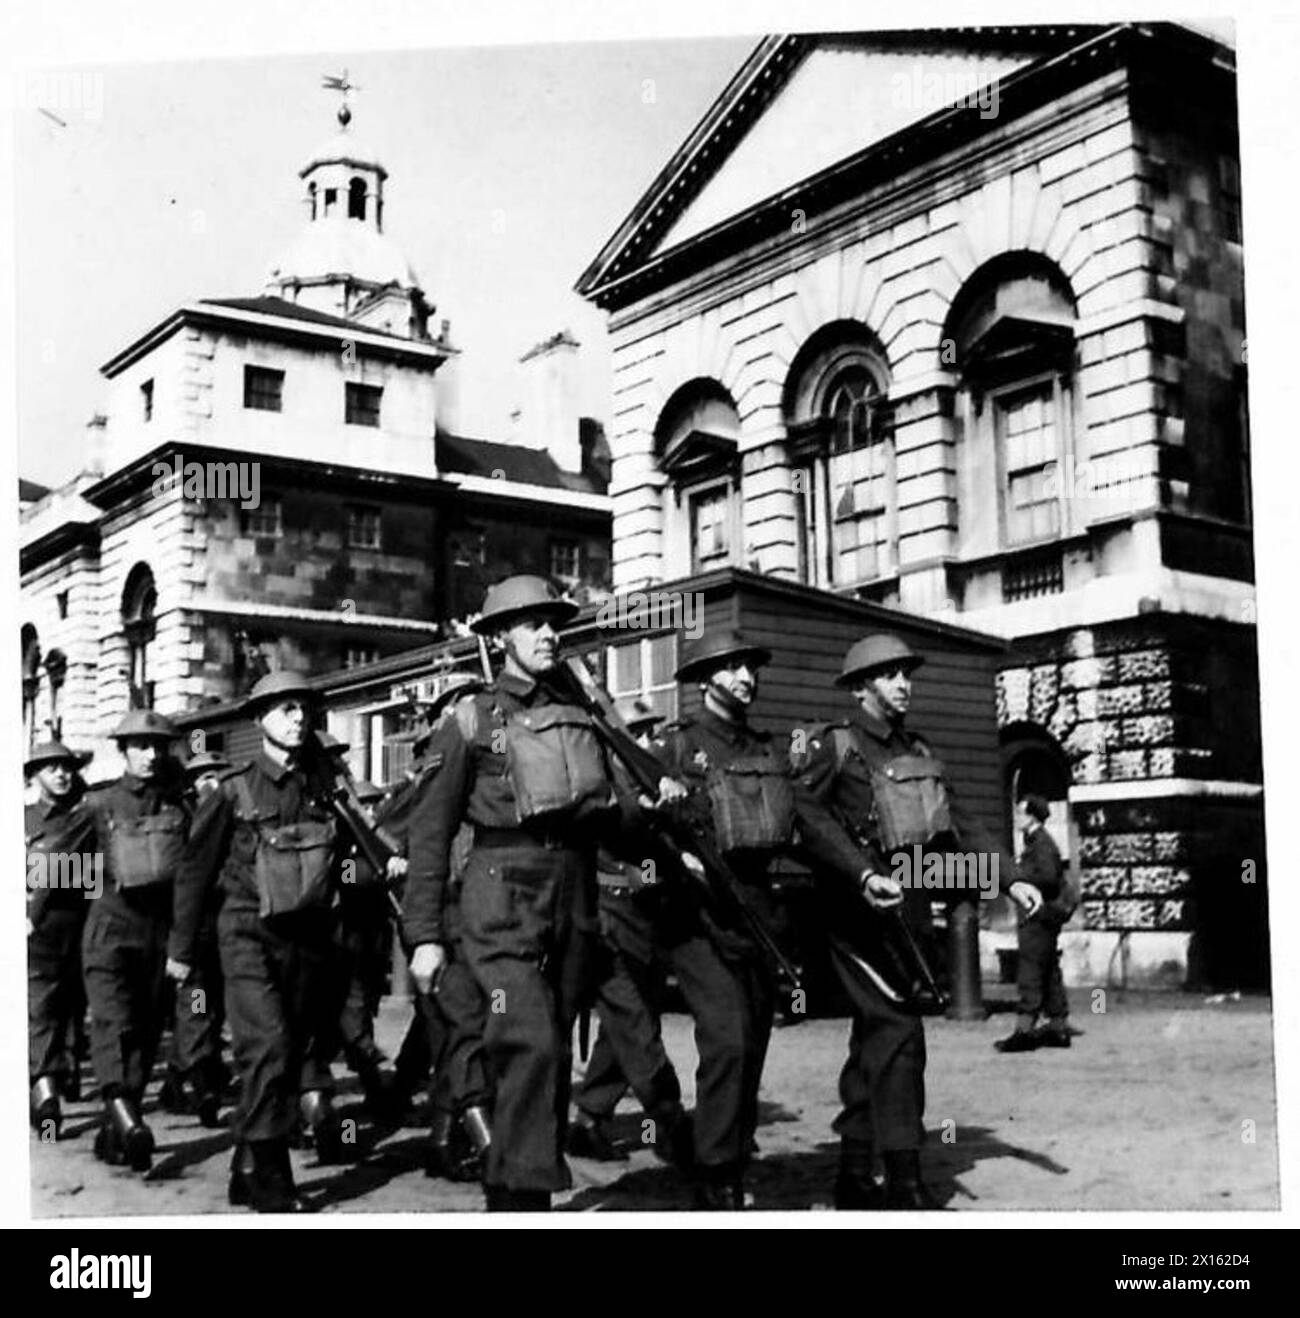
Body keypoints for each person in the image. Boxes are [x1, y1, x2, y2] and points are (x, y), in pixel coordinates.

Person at [402, 575, 646, 1211]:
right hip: (500, 895)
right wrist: (424, 936)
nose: (548, 635)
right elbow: (429, 834)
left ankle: (511, 1188)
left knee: (551, 1048)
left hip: (573, 894)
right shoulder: (470, 720)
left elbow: (613, 813)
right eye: (532, 624)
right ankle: (522, 1200)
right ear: (500, 638)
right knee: (529, 1039)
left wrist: (649, 808)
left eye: (553, 624)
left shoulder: (583, 716)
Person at [653, 627, 868, 1209]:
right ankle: (716, 1176)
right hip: (695, 915)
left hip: (757, 912)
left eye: (751, 667)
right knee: (726, 1037)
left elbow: (810, 820)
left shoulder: (768, 750)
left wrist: (861, 874)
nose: (747, 677)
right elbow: (628, 822)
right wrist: (668, 842)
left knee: (750, 1041)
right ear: (706, 679)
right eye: (733, 667)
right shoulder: (674, 748)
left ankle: (730, 1151)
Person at [794, 632, 994, 1210]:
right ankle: (905, 1182)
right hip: (854, 921)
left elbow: (962, 824)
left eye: (907, 674)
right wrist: (859, 872)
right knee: (901, 1035)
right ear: (861, 688)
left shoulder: (919, 749)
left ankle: (855, 1175)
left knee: (874, 1044)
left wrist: (1010, 878)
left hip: (909, 920)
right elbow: (803, 811)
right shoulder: (835, 744)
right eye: (890, 675)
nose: (904, 684)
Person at [171, 672, 349, 1212]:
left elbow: (343, 856)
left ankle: (245, 1166)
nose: (298, 718)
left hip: (305, 937)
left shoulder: (323, 784)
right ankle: (272, 1179)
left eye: (303, 709)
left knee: (287, 1053)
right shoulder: (234, 789)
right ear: (259, 719)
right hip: (246, 934)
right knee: (266, 1045)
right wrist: (181, 950)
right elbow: (194, 872)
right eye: (285, 709)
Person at [568, 697, 689, 1167]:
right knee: (634, 1020)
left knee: (631, 1018)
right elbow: (609, 826)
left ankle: (589, 1118)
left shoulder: (652, 779)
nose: (644, 741)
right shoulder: (597, 778)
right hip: (603, 913)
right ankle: (669, 1119)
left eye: (648, 732)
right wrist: (644, 808)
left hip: (645, 913)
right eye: (634, 733)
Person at [83, 710, 191, 1173]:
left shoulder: (180, 806)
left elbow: (193, 876)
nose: (151, 755)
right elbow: (61, 870)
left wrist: (184, 942)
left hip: (157, 937)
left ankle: (116, 1130)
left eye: (158, 746)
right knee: (114, 1024)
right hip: (108, 933)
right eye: (141, 746)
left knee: (147, 1032)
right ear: (123, 751)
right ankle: (126, 1116)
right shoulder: (99, 804)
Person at [158, 749, 234, 1127]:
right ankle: (203, 1085)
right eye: (203, 777)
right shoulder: (182, 818)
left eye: (217, 775)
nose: (211, 783)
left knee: (212, 1008)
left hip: (226, 930)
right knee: (197, 1006)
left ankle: (177, 1078)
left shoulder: (232, 814)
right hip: (191, 933)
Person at [25, 740, 95, 1140]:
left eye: (66, 767)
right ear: (34, 776)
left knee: (73, 1004)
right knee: (41, 1008)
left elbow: (93, 876)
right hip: (38, 926)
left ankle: (65, 1069)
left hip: (83, 921)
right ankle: (46, 1098)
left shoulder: (88, 816)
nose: (62, 774)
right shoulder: (22, 820)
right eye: (51, 768)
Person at [995, 794, 1073, 1053]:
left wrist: (1018, 877)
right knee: (1049, 970)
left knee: (1030, 971)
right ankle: (1058, 1027)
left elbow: (1048, 877)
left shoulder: (1041, 843)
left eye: (1021, 813)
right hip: (1044, 917)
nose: (1017, 817)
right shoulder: (1039, 841)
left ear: (1033, 817)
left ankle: (1024, 1031)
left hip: (1037, 917)